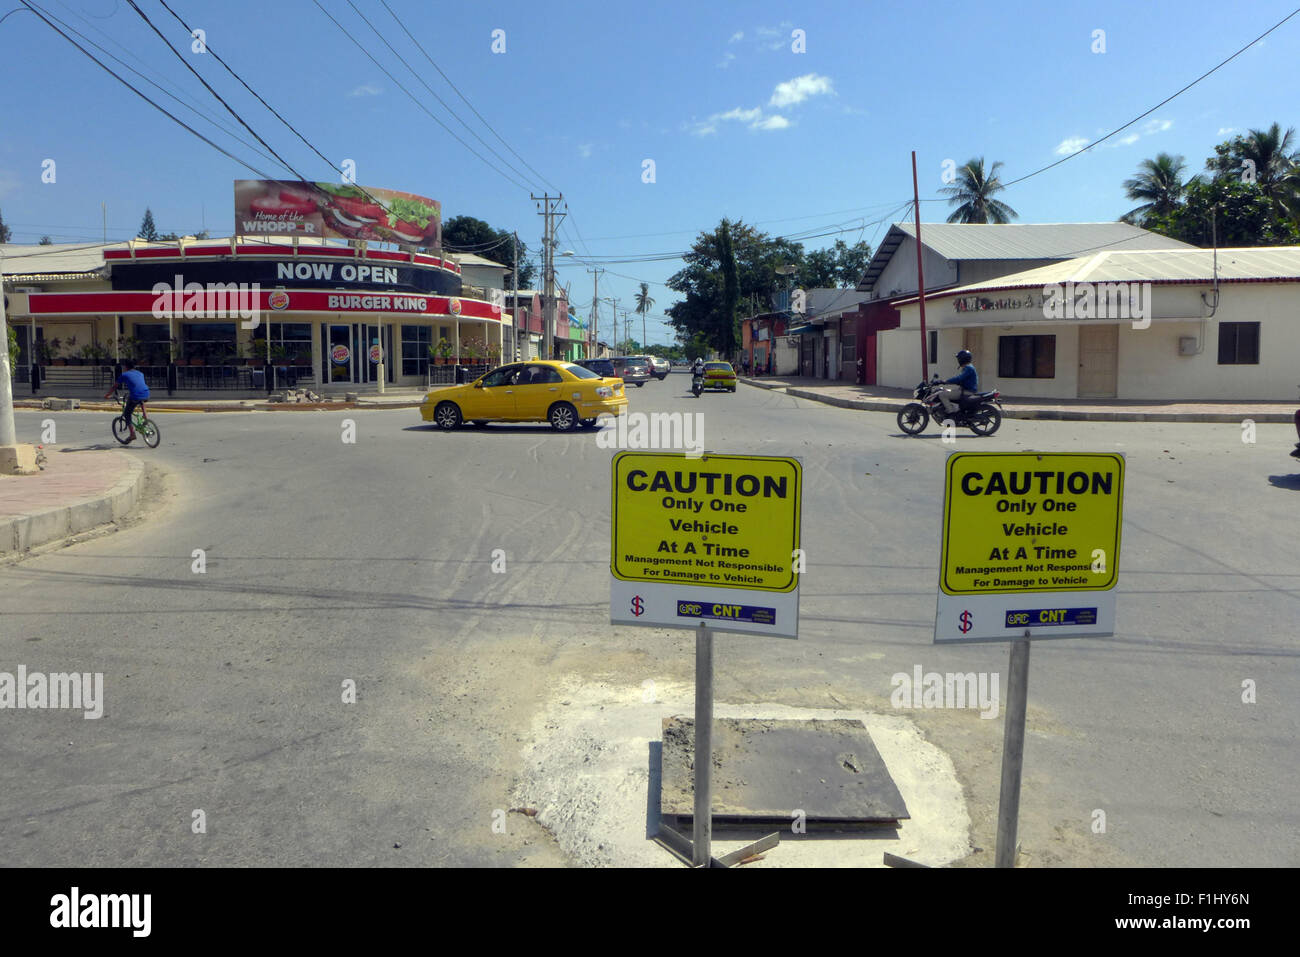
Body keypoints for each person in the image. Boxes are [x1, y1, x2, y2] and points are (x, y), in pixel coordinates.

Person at [104, 359, 151, 443]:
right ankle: (145, 417)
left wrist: (107, 395)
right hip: (146, 393)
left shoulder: (124, 375)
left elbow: (115, 386)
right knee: (141, 401)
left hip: (135, 395)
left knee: (127, 414)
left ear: (126, 367)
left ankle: (132, 434)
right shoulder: (140, 373)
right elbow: (138, 385)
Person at [937, 349, 978, 416]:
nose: (958, 360)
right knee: (946, 391)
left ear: (962, 359)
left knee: (942, 394)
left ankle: (951, 413)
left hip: (967, 391)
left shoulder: (968, 368)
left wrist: (945, 381)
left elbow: (959, 378)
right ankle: (954, 409)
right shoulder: (969, 367)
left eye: (959, 358)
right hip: (965, 390)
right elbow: (961, 380)